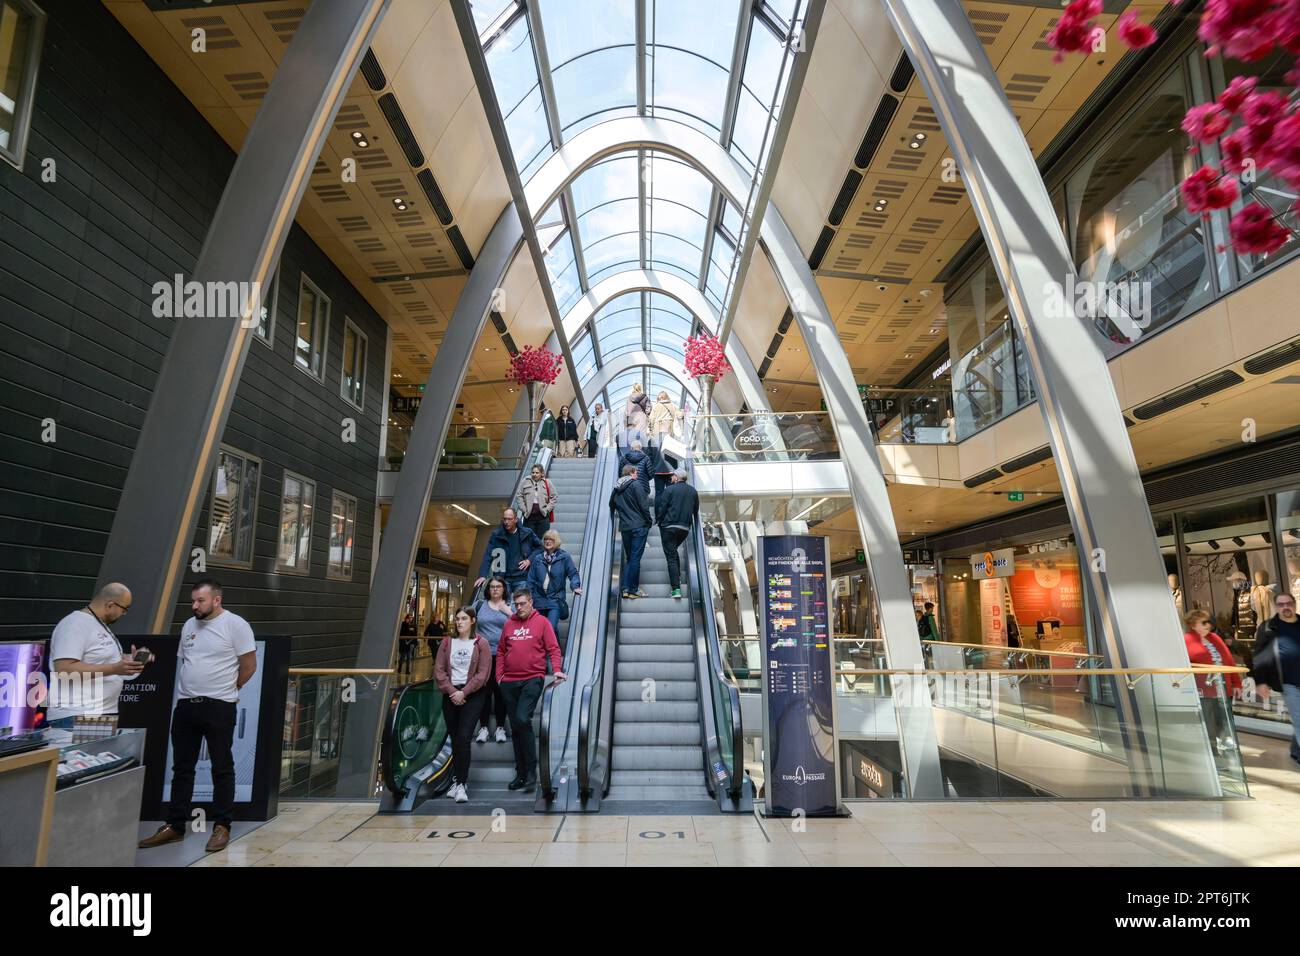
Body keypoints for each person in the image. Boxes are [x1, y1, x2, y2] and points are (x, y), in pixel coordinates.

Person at [139, 578, 257, 854]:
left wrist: (232, 687)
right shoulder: (189, 626)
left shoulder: (236, 625)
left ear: (217, 600)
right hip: (186, 705)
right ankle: (175, 825)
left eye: (200, 601)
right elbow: (187, 662)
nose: (194, 606)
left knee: (221, 766)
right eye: (192, 601)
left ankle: (222, 825)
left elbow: (249, 665)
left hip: (219, 706)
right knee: (182, 768)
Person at [48, 582, 150, 721]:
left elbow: (99, 660)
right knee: (90, 744)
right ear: (110, 605)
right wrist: (114, 668)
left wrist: (129, 660)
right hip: (77, 714)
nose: (124, 614)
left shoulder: (98, 624)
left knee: (108, 743)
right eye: (124, 609)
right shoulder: (74, 624)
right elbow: (64, 670)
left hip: (99, 713)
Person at [496, 587, 565, 791]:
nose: (519, 608)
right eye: (516, 605)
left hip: (532, 679)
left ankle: (532, 772)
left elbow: (553, 648)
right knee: (516, 727)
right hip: (508, 682)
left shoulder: (542, 623)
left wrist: (557, 670)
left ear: (531, 602)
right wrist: (499, 677)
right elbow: (500, 651)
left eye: (522, 604)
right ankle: (520, 773)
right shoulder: (509, 624)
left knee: (523, 719)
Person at [435, 605, 492, 803]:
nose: (459, 622)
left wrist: (463, 692)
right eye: (457, 619)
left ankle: (461, 785)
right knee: (454, 738)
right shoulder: (447, 642)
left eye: (464, 619)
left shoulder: (481, 643)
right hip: (450, 695)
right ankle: (457, 780)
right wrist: (453, 692)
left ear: (473, 621)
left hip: (473, 695)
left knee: (464, 738)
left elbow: (483, 675)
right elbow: (439, 671)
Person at [1183, 609, 1243, 755]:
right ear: (1193, 624)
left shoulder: (1215, 638)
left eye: (1208, 622)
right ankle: (1213, 754)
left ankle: (1228, 752)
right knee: (1209, 724)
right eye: (1203, 622)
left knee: (1225, 721)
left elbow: (1228, 661)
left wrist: (1236, 683)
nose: (1208, 625)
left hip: (1222, 688)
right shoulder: (1186, 640)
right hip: (1204, 691)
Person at [1252, 591, 1300, 767]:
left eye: (1288, 603)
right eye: (1281, 604)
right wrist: (1260, 682)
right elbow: (1260, 657)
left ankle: (1296, 750)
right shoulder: (1268, 628)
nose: (1285, 607)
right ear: (1275, 607)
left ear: (1294, 604)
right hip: (1288, 683)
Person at [526, 529, 583, 643]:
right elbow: (531, 579)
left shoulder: (564, 557)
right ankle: (555, 650)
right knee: (541, 629)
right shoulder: (538, 559)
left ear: (556, 541)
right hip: (539, 599)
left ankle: (551, 656)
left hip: (555, 599)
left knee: (550, 627)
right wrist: (529, 598)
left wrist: (575, 586)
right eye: (546, 539)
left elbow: (573, 573)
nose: (548, 542)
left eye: (551, 539)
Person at [473, 577, 512, 744]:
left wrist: (508, 612)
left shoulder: (510, 606)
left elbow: (522, 624)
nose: (495, 589)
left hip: (504, 655)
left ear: (504, 589)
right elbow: (466, 621)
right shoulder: (479, 605)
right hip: (483, 655)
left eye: (499, 586)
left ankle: (500, 728)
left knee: (500, 692)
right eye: (492, 587)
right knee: (484, 692)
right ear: (488, 589)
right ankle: (483, 728)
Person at [610, 463, 653, 600]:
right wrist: (649, 521)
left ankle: (625, 589)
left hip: (625, 527)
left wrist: (623, 513)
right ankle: (633, 589)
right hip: (639, 526)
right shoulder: (636, 485)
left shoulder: (617, 488)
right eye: (636, 473)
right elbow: (644, 505)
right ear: (632, 473)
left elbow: (611, 504)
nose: (637, 475)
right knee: (635, 558)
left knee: (630, 558)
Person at [474, 507, 542, 594]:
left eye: (509, 519)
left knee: (519, 606)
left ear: (516, 519)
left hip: (521, 577)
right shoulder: (496, 535)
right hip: (503, 578)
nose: (506, 522)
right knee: (503, 606)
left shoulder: (527, 533)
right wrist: (482, 575)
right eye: (505, 519)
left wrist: (529, 560)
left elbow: (540, 548)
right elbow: (488, 555)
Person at [654, 467, 698, 600]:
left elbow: (662, 507)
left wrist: (659, 521)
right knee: (673, 551)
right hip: (684, 529)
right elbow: (695, 510)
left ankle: (676, 589)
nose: (671, 477)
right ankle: (677, 575)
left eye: (673, 476)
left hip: (669, 527)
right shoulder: (693, 491)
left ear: (677, 477)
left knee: (671, 557)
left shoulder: (669, 489)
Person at [517, 463, 557, 542]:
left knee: (542, 541)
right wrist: (524, 510)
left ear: (542, 473)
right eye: (533, 472)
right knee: (529, 540)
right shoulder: (525, 481)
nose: (534, 474)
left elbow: (554, 497)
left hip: (543, 517)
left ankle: (540, 554)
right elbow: (519, 496)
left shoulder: (547, 482)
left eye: (537, 473)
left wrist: (547, 509)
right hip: (529, 517)